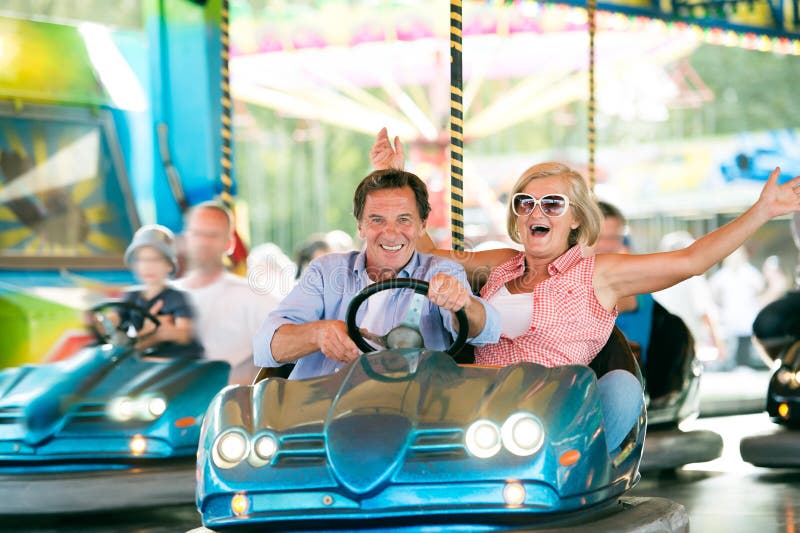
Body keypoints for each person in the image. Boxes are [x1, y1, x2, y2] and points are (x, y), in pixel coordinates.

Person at [370, 128, 800, 451]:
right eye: (525, 202)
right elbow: (424, 257)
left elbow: (691, 260)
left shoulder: (599, 274)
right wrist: (391, 177)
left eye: (552, 204)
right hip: (480, 411)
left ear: (575, 218)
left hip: (552, 417)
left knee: (620, 392)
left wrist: (761, 212)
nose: (536, 211)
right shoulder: (500, 264)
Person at [254, 169, 502, 380]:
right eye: (377, 220)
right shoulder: (325, 271)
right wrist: (318, 334)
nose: (391, 233)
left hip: (411, 407)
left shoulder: (441, 271)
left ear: (422, 225)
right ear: (360, 226)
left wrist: (463, 304)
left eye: (403, 219)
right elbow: (266, 345)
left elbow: (484, 331)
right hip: (322, 407)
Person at [172, 201, 280, 384]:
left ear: (229, 243)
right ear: (186, 238)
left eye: (213, 235)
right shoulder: (163, 295)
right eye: (197, 233)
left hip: (226, 406)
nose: (204, 242)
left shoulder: (257, 299)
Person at [115, 224, 203, 357]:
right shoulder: (131, 296)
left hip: (176, 361)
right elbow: (114, 318)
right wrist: (99, 322)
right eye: (142, 260)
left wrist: (165, 333)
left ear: (169, 265)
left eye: (155, 260)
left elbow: (184, 334)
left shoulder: (176, 297)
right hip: (146, 359)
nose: (148, 266)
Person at [652, 231, 727, 367]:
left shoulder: (657, 276)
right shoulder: (693, 277)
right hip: (687, 340)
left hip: (661, 338)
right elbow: (703, 311)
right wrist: (717, 342)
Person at [710, 247, 766, 369]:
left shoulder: (751, 273)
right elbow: (713, 294)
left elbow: (760, 289)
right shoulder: (722, 276)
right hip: (729, 317)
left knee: (745, 347)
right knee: (731, 349)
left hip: (746, 317)